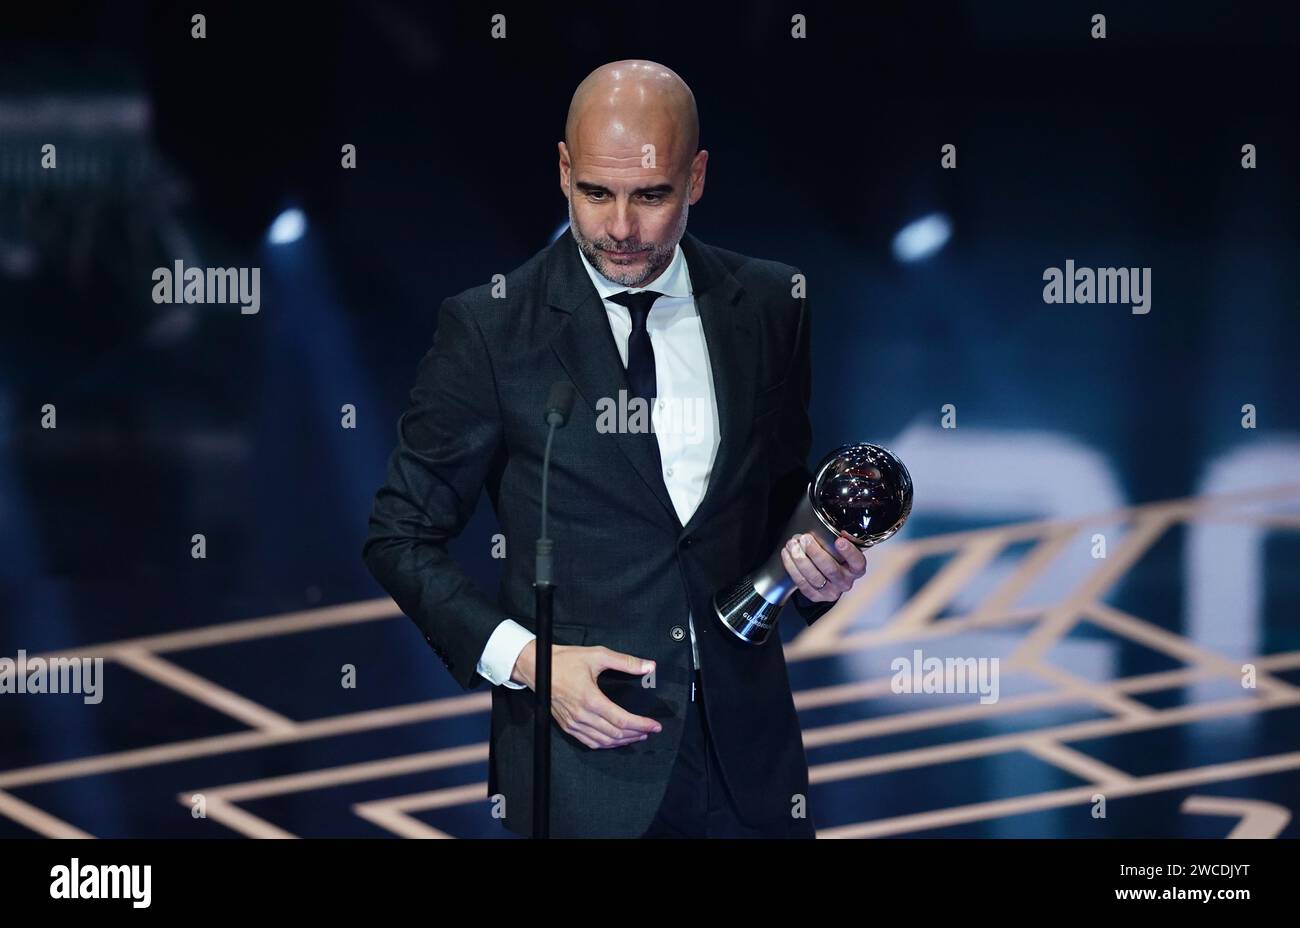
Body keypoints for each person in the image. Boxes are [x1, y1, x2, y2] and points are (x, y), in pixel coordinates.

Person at [363, 59, 868, 838]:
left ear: (696, 177)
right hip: (583, 771)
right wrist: (533, 664)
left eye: (651, 195)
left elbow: (777, 499)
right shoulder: (492, 331)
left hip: (750, 767)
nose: (621, 228)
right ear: (564, 170)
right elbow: (400, 536)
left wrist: (812, 572)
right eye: (596, 193)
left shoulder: (769, 305)